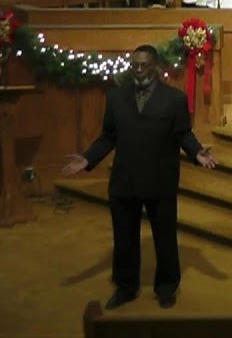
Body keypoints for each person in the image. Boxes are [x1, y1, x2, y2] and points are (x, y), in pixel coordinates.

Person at [61, 45, 216, 310]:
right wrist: (88, 159)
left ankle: (167, 287)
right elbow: (108, 136)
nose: (139, 70)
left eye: (144, 65)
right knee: (124, 238)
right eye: (134, 65)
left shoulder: (174, 99)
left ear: (155, 67)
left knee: (164, 237)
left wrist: (197, 153)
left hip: (160, 179)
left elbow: (183, 134)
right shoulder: (116, 98)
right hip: (125, 180)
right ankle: (126, 286)